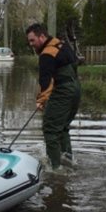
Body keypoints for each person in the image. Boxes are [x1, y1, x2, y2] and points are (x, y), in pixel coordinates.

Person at [26, 23, 81, 169]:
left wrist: (41, 101)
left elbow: (45, 81)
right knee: (62, 127)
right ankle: (68, 161)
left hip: (63, 92)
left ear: (42, 36)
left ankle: (55, 169)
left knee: (50, 129)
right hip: (76, 89)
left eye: (32, 40)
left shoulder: (47, 54)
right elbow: (75, 63)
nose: (31, 44)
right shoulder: (61, 44)